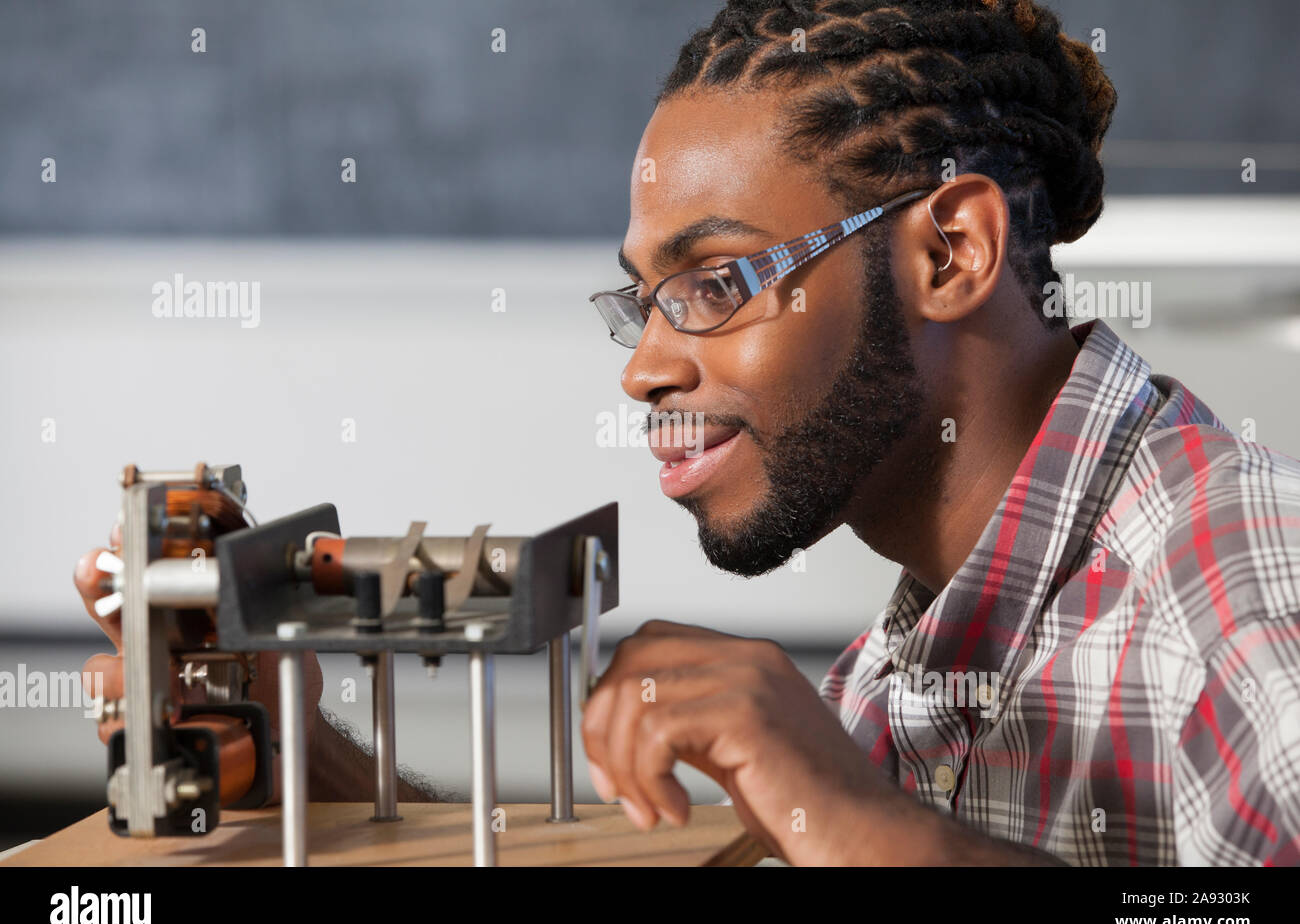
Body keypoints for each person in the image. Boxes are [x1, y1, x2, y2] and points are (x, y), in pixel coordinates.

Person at [77, 0, 1300, 865]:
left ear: (950, 251)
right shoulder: (923, 639)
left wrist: (849, 817)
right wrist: (304, 752)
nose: (649, 369)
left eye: (716, 281)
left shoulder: (1243, 590)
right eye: (644, 301)